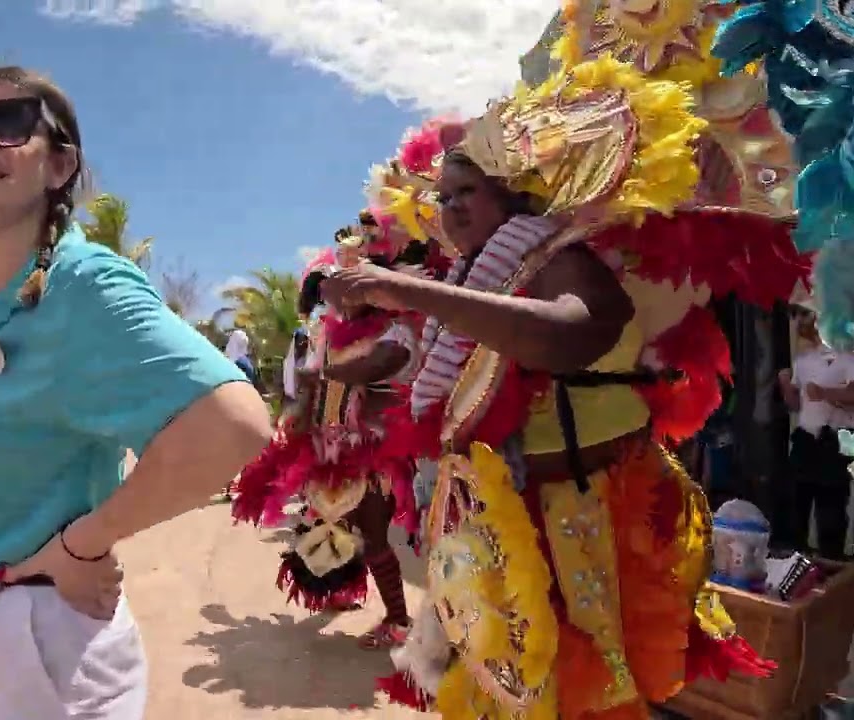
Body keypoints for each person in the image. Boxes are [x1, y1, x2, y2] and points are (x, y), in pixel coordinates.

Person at [328, 48, 793, 716]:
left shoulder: (556, 252)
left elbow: (576, 334)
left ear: (511, 194)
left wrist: (404, 290)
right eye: (444, 196)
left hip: (583, 518)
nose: (452, 208)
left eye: (469, 192)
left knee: (584, 700)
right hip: (501, 518)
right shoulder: (469, 275)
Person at [0, 65, 271, 719]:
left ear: (59, 167)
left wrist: (84, 543)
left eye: (10, 122)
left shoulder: (83, 284)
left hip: (41, 646)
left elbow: (234, 425)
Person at [234, 220, 421, 647]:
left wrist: (319, 373)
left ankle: (398, 621)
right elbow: (308, 387)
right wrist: (294, 413)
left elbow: (373, 368)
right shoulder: (325, 336)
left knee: (372, 534)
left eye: (350, 286)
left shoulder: (396, 330)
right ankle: (339, 590)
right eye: (333, 288)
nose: (337, 297)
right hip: (324, 449)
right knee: (328, 526)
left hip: (372, 452)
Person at [779, 309, 854, 559]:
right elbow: (795, 406)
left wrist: (825, 393)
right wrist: (786, 386)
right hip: (806, 437)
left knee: (831, 509)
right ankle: (794, 560)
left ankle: (831, 565)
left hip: (837, 438)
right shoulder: (804, 361)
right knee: (797, 502)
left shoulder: (849, 359)